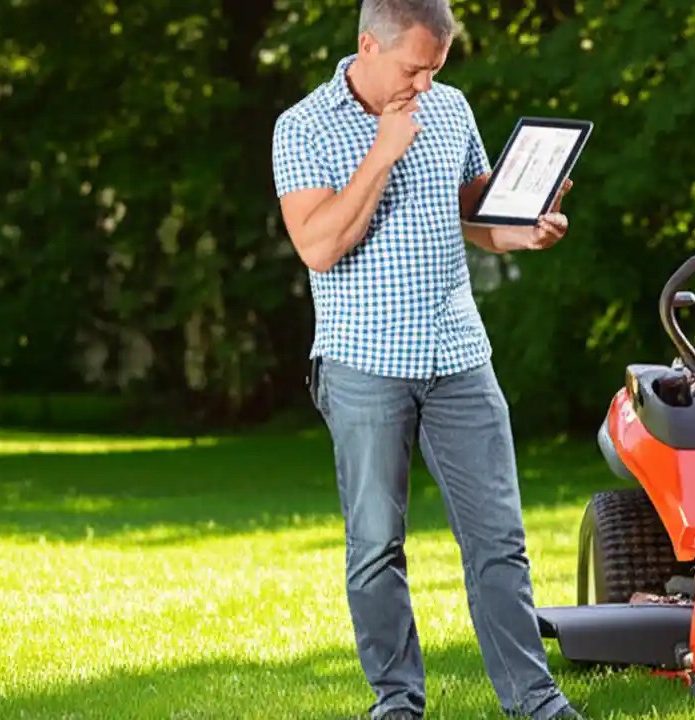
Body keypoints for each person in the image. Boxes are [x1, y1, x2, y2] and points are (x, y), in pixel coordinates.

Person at [269, 1, 582, 718]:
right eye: (413, 69)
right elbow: (318, 246)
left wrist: (522, 233)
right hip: (363, 364)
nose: (425, 85)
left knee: (499, 542)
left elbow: (477, 218)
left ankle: (534, 701)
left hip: (460, 358)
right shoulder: (303, 126)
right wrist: (382, 150)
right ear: (367, 46)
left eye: (436, 69)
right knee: (377, 546)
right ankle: (397, 703)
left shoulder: (449, 108)